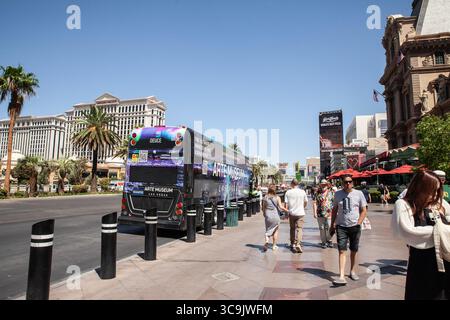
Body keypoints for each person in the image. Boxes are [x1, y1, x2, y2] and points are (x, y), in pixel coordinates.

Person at [391, 170, 450, 300]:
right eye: (432, 190)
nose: (435, 195)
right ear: (421, 188)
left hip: (444, 260)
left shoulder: (438, 204)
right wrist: (440, 231)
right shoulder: (404, 204)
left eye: (437, 191)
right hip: (422, 264)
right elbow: (407, 231)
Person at [330, 175, 368, 286]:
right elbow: (334, 210)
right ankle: (341, 276)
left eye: (350, 182)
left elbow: (364, 210)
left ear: (353, 183)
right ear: (342, 183)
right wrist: (333, 224)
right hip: (341, 226)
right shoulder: (337, 194)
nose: (348, 184)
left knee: (353, 250)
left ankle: (352, 271)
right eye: (345, 182)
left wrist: (359, 223)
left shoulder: (359, 194)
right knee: (341, 250)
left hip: (354, 226)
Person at [262, 184, 288, 252]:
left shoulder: (265, 197)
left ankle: (267, 241)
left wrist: (264, 214)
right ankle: (274, 246)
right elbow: (281, 207)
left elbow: (263, 207)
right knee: (275, 231)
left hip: (268, 216)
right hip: (276, 216)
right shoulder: (277, 197)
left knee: (268, 230)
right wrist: (288, 210)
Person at [284, 179, 308, 253]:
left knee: (292, 228)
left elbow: (286, 204)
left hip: (292, 213)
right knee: (299, 228)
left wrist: (286, 213)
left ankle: (292, 243)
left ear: (292, 184)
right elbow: (306, 201)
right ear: (298, 184)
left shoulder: (288, 192)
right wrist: (302, 207)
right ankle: (298, 243)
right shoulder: (302, 192)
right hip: (300, 213)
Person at [312, 179, 334, 249]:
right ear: (320, 185)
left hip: (329, 213)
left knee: (329, 227)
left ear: (327, 185)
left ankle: (329, 240)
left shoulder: (332, 192)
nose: (323, 186)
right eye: (322, 184)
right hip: (320, 213)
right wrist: (314, 212)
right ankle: (323, 242)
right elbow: (315, 202)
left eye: (325, 184)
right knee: (322, 228)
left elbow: (335, 202)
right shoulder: (317, 193)